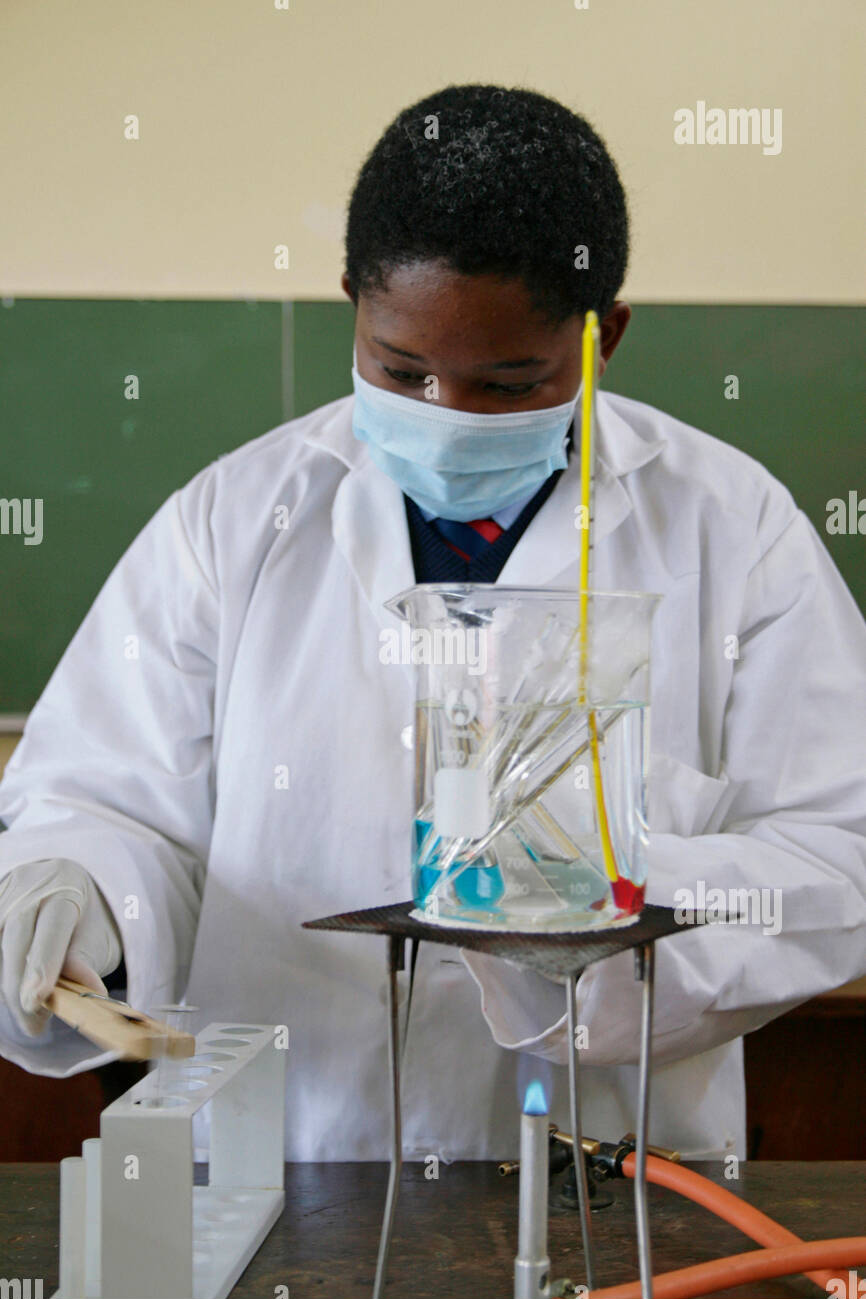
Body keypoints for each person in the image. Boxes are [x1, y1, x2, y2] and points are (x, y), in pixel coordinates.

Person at [1, 85, 864, 1162]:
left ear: (604, 337)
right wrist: (76, 890)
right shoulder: (232, 522)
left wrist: (609, 910)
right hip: (293, 1158)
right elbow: (111, 799)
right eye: (400, 370)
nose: (446, 417)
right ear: (352, 307)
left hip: (606, 1171)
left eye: (508, 383)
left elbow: (832, 858)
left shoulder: (734, 533)